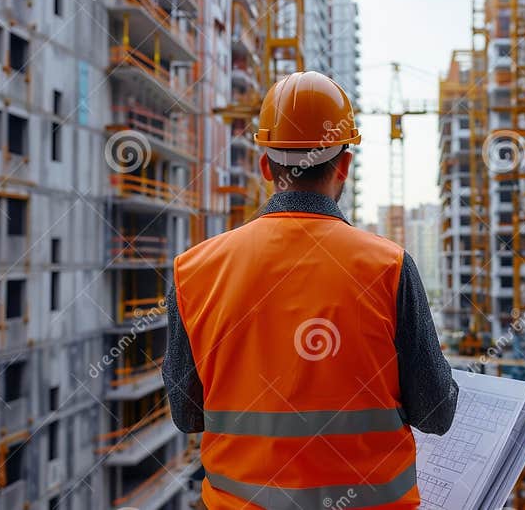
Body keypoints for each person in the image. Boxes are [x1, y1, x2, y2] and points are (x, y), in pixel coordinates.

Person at [163, 71, 459, 509]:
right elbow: (437, 413)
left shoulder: (195, 270)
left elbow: (187, 413)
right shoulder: (389, 267)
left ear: (266, 167)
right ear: (345, 165)